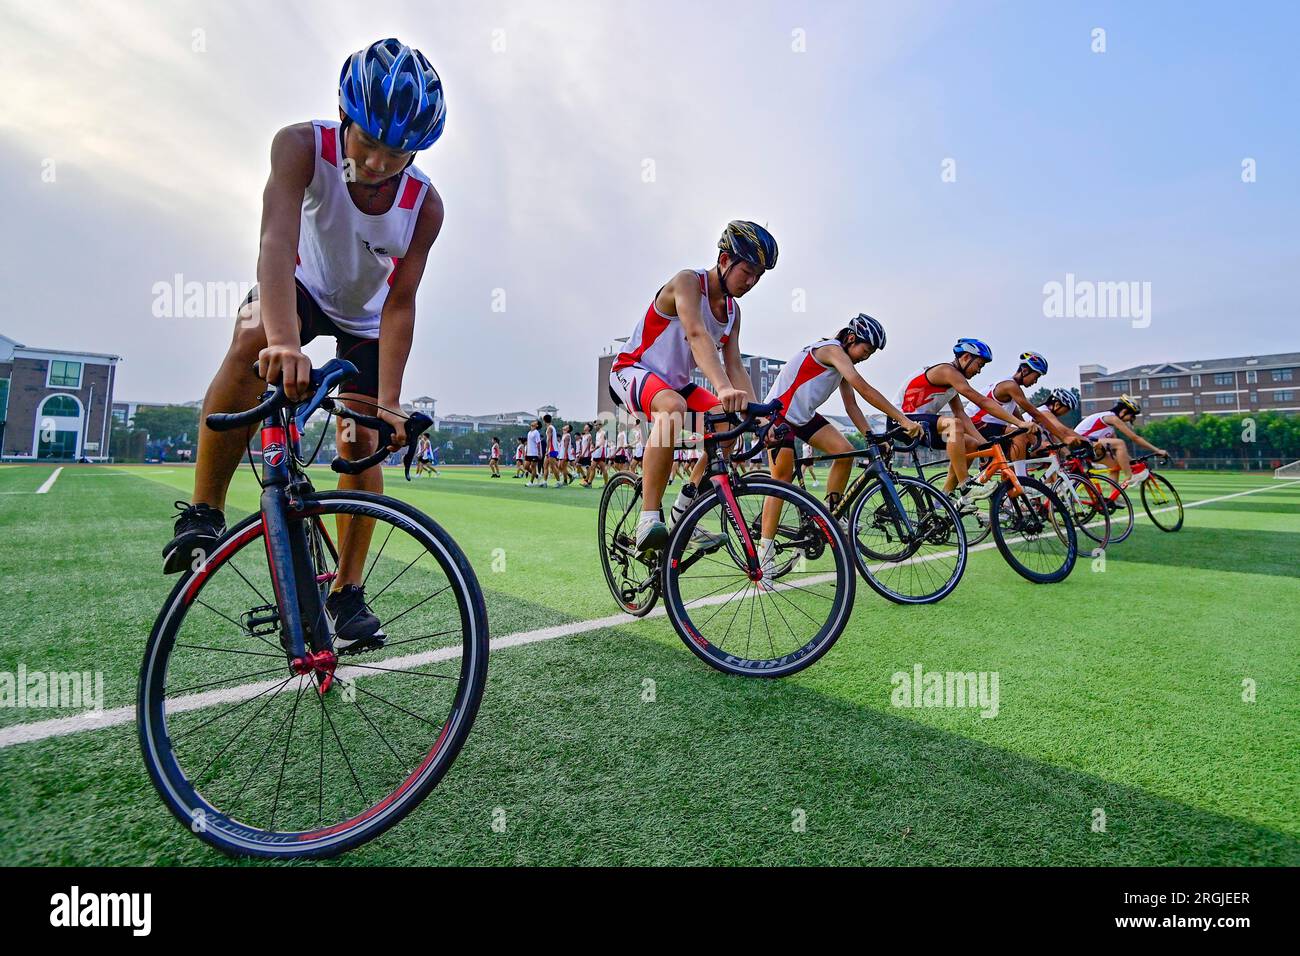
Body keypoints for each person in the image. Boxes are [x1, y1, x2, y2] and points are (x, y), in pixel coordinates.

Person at [163, 38, 447, 654]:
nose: (376, 162)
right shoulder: (299, 146)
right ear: (343, 117)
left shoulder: (425, 206)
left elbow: (400, 302)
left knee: (361, 438)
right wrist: (286, 343)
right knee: (252, 334)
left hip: (368, 319)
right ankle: (203, 511)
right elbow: (274, 239)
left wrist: (390, 402)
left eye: (396, 152)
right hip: (301, 286)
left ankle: (346, 592)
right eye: (367, 141)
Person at [608, 221, 775, 551]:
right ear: (725, 260)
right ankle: (648, 518)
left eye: (759, 276)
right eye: (748, 271)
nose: (752, 281)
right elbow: (697, 334)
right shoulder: (687, 282)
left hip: (675, 384)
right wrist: (723, 389)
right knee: (672, 407)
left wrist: (760, 418)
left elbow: (735, 365)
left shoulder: (732, 312)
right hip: (634, 369)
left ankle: (685, 510)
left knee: (731, 423)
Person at [759, 315, 922, 562]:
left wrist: (872, 437)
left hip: (803, 418)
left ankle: (830, 515)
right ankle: (764, 554)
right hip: (778, 415)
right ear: (850, 338)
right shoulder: (831, 350)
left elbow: (852, 407)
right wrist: (903, 420)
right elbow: (863, 387)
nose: (864, 358)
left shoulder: (841, 361)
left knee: (845, 452)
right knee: (781, 482)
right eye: (865, 351)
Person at [897, 338, 1026, 504]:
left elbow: (961, 414)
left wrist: (984, 444)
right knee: (953, 425)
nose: (979, 371)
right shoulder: (947, 371)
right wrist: (1019, 423)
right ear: (965, 357)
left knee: (971, 444)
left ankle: (943, 500)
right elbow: (983, 401)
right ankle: (966, 486)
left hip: (923, 426)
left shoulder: (951, 384)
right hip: (901, 421)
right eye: (979, 365)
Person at [1077, 395, 1168, 482]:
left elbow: (1117, 451)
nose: (1129, 420)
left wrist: (1132, 461)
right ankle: (1131, 476)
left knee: (1115, 466)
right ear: (1124, 411)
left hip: (1088, 445)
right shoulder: (1112, 418)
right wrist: (1157, 450)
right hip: (1079, 443)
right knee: (1120, 443)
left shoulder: (1110, 429)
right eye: (1131, 416)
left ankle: (1113, 498)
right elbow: (1135, 438)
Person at [525, 420, 543, 486]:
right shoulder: (529, 432)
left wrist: (539, 453)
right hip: (529, 453)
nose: (533, 422)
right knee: (526, 466)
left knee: (533, 467)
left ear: (537, 425)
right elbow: (528, 443)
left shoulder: (536, 432)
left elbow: (538, 443)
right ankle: (537, 476)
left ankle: (531, 482)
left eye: (535, 422)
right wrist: (526, 451)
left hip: (534, 453)